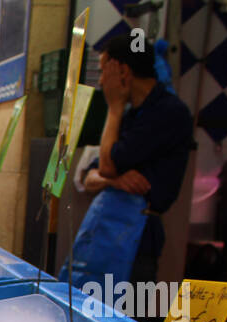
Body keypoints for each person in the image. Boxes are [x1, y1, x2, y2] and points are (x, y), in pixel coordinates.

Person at [74, 33, 194, 302]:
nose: (102, 81)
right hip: (106, 234)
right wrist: (113, 181)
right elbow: (88, 177)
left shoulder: (168, 113)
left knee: (125, 318)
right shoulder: (134, 116)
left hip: (137, 241)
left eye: (105, 71)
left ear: (123, 71)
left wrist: (114, 107)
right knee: (90, 311)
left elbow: (106, 164)